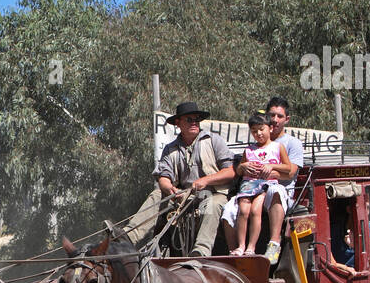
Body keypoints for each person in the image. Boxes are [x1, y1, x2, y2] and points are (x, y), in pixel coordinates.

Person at [122, 101, 236, 256]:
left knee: (212, 203)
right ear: (178, 123)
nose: (194, 123)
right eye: (189, 119)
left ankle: (200, 251)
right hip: (183, 197)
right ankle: (126, 238)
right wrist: (171, 189)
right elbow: (163, 177)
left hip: (212, 194)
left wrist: (206, 180)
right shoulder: (170, 148)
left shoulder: (213, 140)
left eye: (197, 119)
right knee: (157, 195)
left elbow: (230, 172)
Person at [222, 96, 303, 265]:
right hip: (251, 187)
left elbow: (290, 172)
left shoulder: (290, 144)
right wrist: (243, 168)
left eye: (279, 116)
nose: (275, 120)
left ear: (286, 119)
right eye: (272, 115)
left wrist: (268, 171)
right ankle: (234, 250)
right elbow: (240, 168)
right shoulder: (254, 145)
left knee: (275, 191)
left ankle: (274, 243)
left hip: (277, 189)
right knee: (229, 208)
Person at [229, 111, 285, 256]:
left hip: (265, 185)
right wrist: (244, 166)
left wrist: (272, 166)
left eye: (262, 129)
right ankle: (241, 245)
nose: (259, 134)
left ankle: (251, 247)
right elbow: (240, 170)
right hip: (248, 184)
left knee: (255, 211)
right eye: (254, 131)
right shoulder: (248, 150)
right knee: (243, 210)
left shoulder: (277, 147)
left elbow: (288, 167)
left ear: (270, 129)